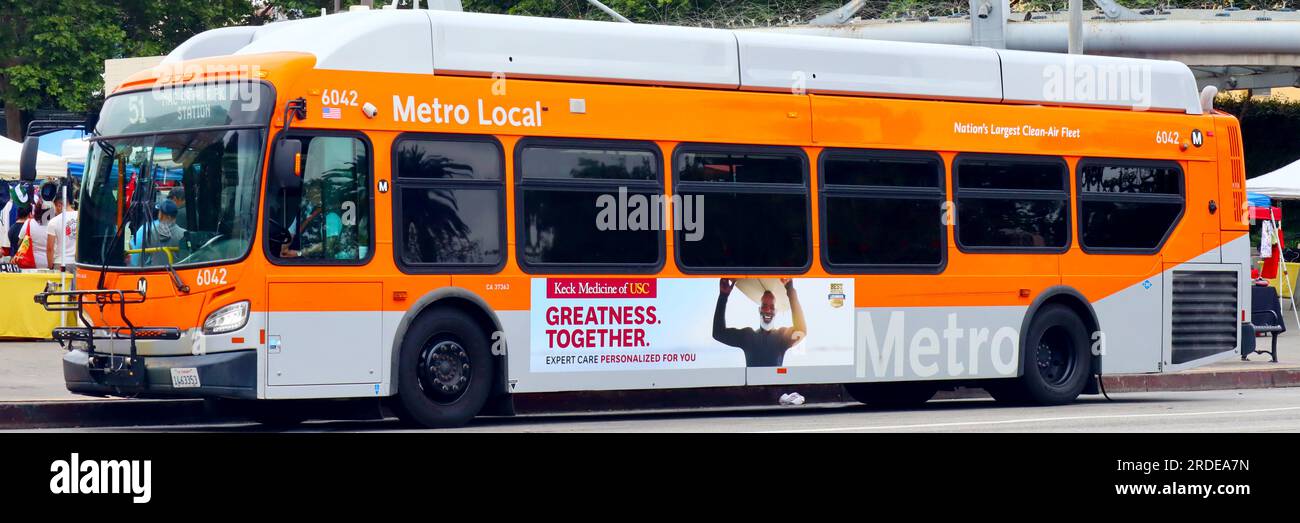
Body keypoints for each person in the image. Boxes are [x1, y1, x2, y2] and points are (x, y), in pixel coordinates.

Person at [712, 278, 808, 367]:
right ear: (759, 310)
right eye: (764, 305)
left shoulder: (782, 336)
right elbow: (718, 333)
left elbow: (801, 330)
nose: (768, 310)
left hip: (775, 385)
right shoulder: (748, 336)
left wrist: (790, 290)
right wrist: (723, 296)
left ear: (776, 312)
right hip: (753, 385)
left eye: (772, 307)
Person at [131, 200, 187, 265]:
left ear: (161, 215)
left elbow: (139, 261)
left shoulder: (149, 233)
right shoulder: (183, 234)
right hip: (177, 273)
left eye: (160, 212)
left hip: (156, 273)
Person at [46, 184, 79, 271]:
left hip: (60, 262)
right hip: (79, 263)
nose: (54, 210)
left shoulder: (53, 222)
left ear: (60, 205)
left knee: (61, 285)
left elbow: (50, 248)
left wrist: (50, 266)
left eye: (54, 206)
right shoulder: (81, 217)